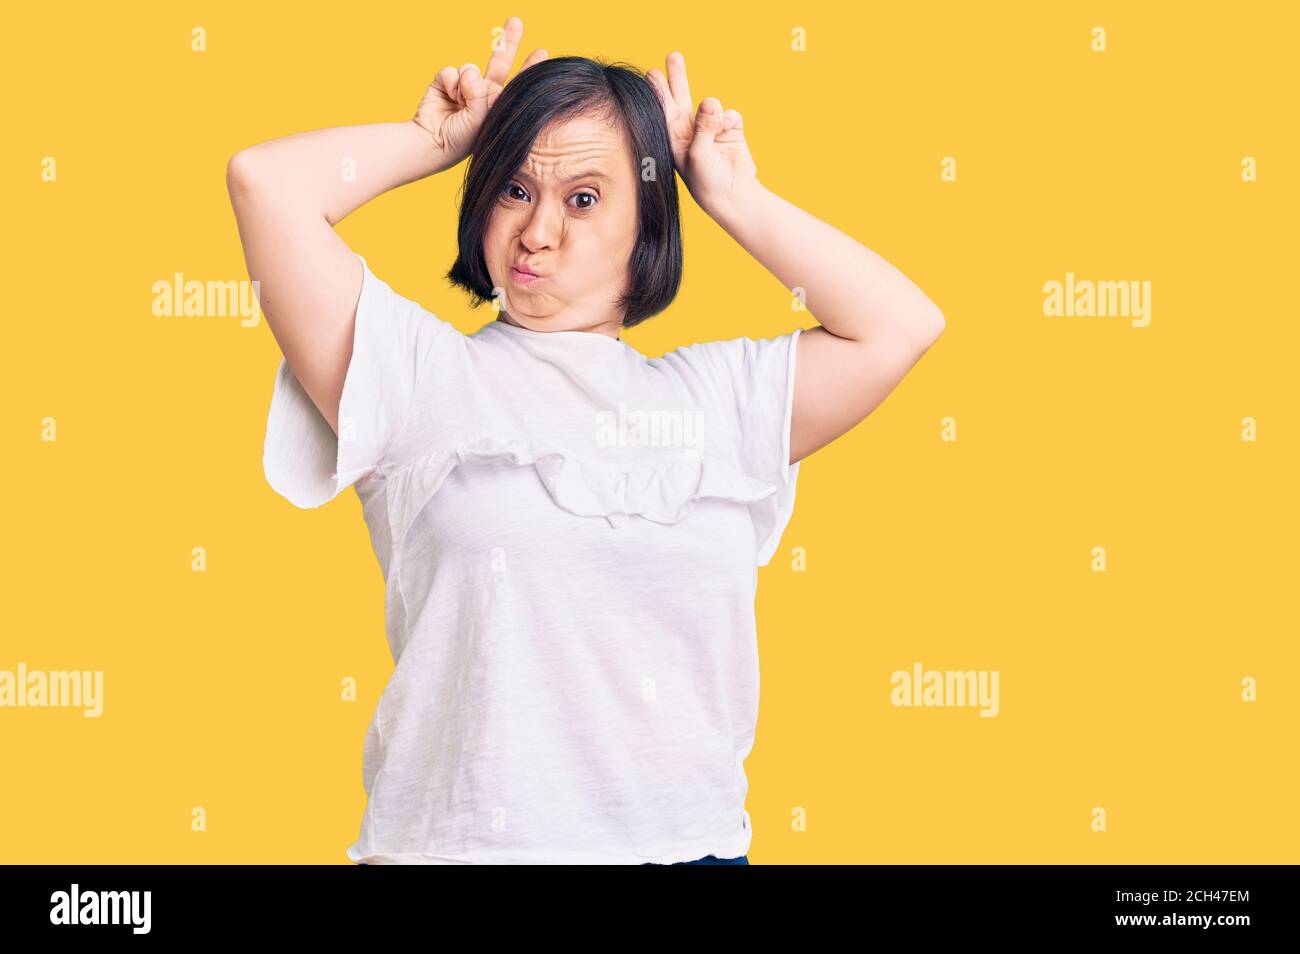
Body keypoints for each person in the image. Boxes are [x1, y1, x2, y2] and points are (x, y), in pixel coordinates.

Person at [226, 16, 945, 865]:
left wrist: (728, 193)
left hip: (693, 851)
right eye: (514, 189)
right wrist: (431, 140)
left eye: (584, 198)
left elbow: (901, 324)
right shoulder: (415, 376)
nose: (537, 233)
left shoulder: (716, 401)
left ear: (647, 231)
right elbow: (262, 184)